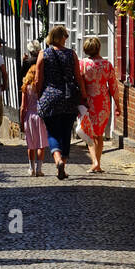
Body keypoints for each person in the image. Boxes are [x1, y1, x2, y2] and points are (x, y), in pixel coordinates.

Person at [33, 24, 87, 180]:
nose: (66, 39)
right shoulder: (71, 54)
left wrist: (39, 96)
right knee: (65, 133)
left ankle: (57, 160)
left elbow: (38, 79)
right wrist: (83, 95)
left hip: (50, 97)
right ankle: (63, 163)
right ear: (61, 37)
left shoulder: (44, 54)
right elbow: (78, 76)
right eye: (65, 36)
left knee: (52, 131)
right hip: (69, 98)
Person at [79, 36, 120, 174]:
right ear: (98, 48)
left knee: (89, 133)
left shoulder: (83, 64)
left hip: (88, 101)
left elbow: (79, 83)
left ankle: (94, 162)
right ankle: (98, 163)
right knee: (99, 134)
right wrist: (118, 105)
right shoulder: (107, 65)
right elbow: (113, 86)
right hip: (103, 101)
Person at [20, 63, 49, 176]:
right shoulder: (42, 87)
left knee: (30, 144)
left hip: (29, 117)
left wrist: (22, 120)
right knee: (41, 144)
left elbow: (23, 107)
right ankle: (39, 169)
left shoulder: (26, 88)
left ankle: (31, 168)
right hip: (40, 117)